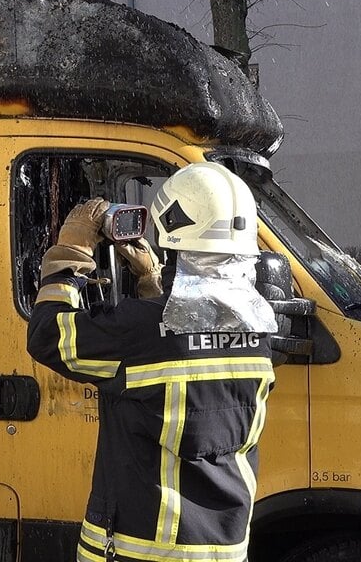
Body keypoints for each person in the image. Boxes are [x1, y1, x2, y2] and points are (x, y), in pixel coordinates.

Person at [26, 162, 278, 562]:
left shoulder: (139, 329)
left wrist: (71, 253)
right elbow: (186, 353)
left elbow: (46, 335)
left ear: (168, 231)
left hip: (140, 550)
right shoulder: (259, 331)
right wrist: (152, 285)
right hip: (226, 550)